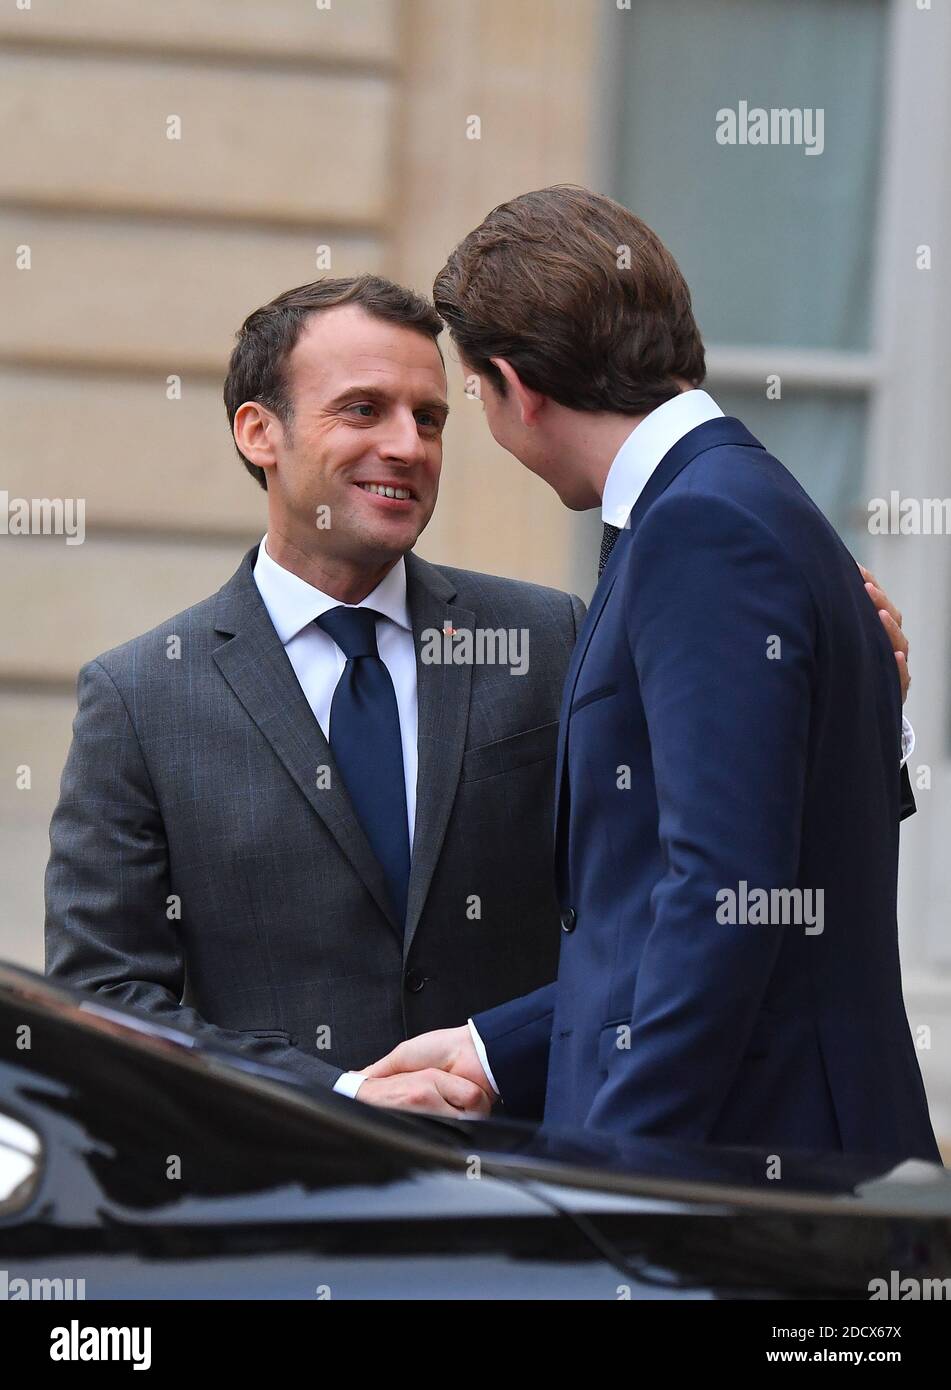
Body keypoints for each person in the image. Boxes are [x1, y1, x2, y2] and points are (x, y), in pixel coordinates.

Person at [365, 187, 939, 1164]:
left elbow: (724, 895)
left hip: (748, 1191)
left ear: (517, 384)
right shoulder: (743, 499)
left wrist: (615, 1180)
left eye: (470, 397)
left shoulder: (700, 527)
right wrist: (491, 1051)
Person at [44, 275, 584, 1118]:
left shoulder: (545, 639)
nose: (408, 445)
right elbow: (106, 1004)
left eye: (429, 417)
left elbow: (646, 910)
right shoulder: (142, 698)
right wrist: (343, 1094)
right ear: (260, 432)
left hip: (536, 1189)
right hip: (281, 1195)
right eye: (363, 410)